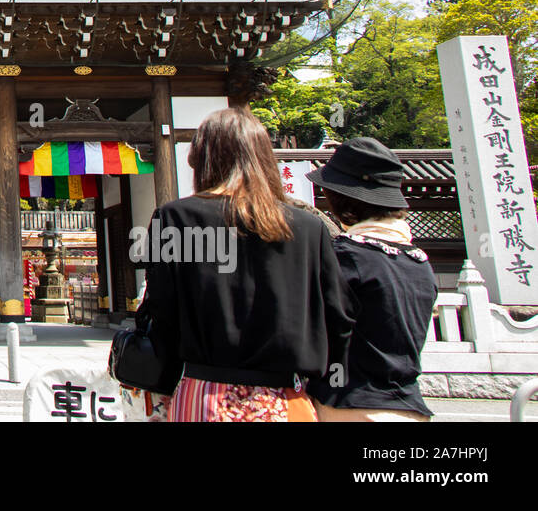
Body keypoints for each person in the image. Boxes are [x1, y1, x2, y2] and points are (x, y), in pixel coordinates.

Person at [140, 107, 352, 422]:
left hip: (203, 394)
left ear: (201, 159)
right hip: (287, 398)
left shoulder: (176, 219)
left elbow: (160, 312)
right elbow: (339, 320)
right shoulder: (309, 228)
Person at [305, 138, 438, 422]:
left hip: (348, 405)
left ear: (342, 198)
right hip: (411, 408)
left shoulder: (344, 256)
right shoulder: (420, 262)